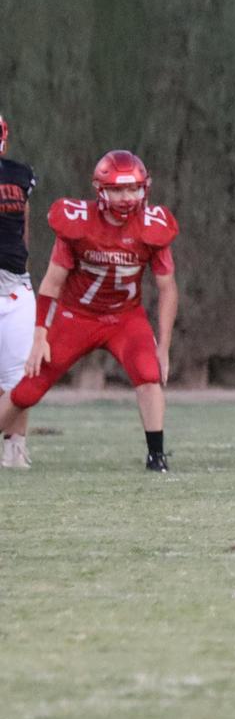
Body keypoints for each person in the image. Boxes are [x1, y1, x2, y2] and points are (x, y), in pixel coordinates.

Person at [0, 152, 179, 472]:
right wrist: (41, 334)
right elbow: (51, 285)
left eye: (133, 189)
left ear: (145, 189)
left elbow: (167, 288)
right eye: (117, 190)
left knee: (148, 373)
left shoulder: (154, 226)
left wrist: (163, 347)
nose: (126, 198)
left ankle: (156, 456)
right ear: (100, 190)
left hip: (125, 317)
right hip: (76, 316)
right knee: (27, 391)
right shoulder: (78, 224)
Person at [0, 111, 38, 467]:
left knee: (20, 378)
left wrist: (22, 265)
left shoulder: (19, 173)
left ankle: (15, 449)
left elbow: (23, 224)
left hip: (12, 282)